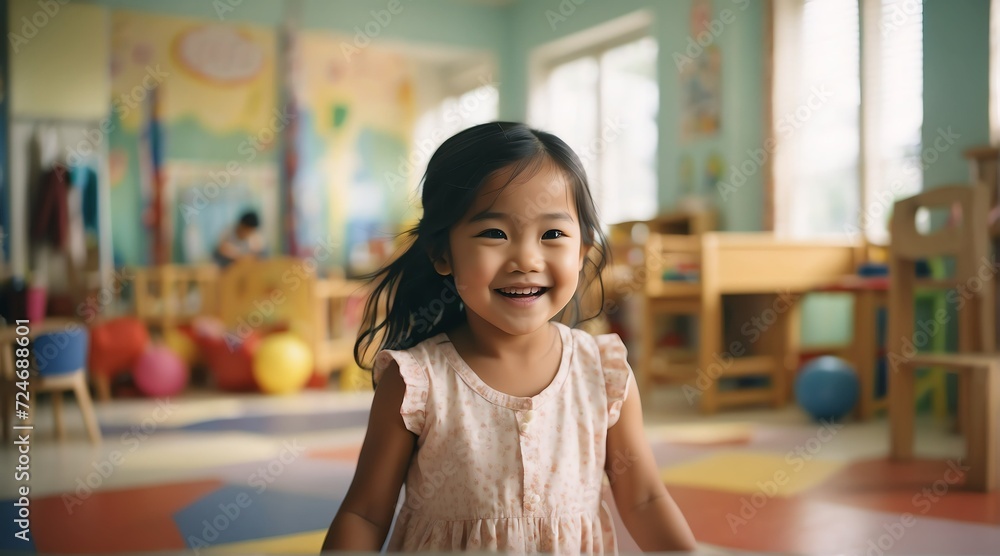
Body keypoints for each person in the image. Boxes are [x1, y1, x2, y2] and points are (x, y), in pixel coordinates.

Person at [322, 122, 696, 553]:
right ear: (442, 253)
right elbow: (365, 514)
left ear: (582, 250)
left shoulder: (603, 374)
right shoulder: (417, 383)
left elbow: (646, 499)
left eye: (552, 234)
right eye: (494, 233)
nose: (526, 259)